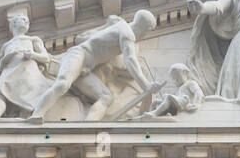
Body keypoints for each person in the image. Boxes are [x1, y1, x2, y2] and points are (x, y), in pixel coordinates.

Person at [29, 11, 157, 121]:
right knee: (63, 83)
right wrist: (146, 84)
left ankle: (89, 126)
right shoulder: (127, 33)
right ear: (145, 27)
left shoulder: (121, 28)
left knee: (106, 97)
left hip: (85, 70)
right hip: (78, 56)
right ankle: (37, 115)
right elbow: (130, 61)